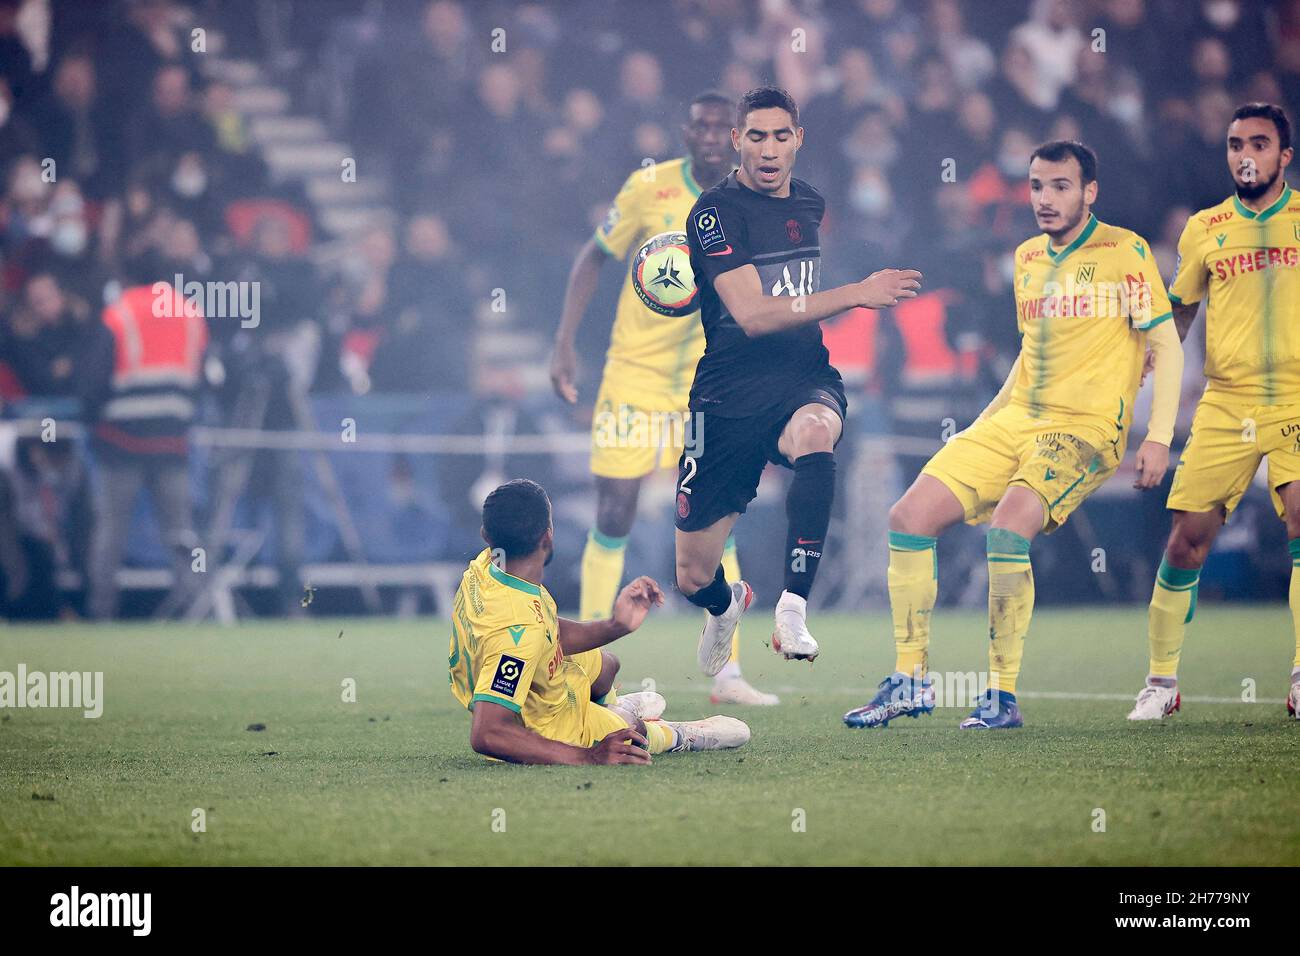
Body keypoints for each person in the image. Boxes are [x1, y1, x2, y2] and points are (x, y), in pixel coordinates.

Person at [845, 139, 1183, 730]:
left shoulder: (1124, 250)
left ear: (1089, 192)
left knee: (1007, 528)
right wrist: (983, 428)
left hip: (1085, 428)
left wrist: (1155, 436)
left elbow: (1165, 344)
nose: (1045, 199)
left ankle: (1000, 694)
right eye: (1035, 186)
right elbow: (1029, 357)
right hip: (1015, 418)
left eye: (1060, 186)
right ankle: (911, 680)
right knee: (908, 517)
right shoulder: (1026, 258)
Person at [674, 86, 922, 677]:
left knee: (817, 432)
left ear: (798, 140)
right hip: (726, 395)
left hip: (801, 378)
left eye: (781, 136)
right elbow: (754, 316)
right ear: (737, 141)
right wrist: (856, 293)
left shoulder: (810, 203)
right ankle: (727, 604)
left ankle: (793, 605)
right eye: (755, 136)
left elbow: (788, 303)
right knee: (691, 574)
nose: (768, 149)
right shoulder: (713, 212)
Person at [549, 90, 778, 705]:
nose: (707, 136)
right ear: (686, 131)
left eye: (718, 128)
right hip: (633, 375)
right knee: (615, 511)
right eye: (698, 126)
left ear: (733, 137)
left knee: (715, 516)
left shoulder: (752, 202)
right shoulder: (646, 188)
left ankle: (727, 673)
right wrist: (565, 343)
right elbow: (593, 257)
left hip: (710, 381)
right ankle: (584, 664)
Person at [1127, 103, 1300, 722]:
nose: (1244, 154)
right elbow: (1181, 311)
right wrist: (1152, 359)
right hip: (1225, 403)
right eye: (1234, 144)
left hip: (1295, 398)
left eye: (1259, 142)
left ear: (1284, 156)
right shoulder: (1205, 228)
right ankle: (1161, 681)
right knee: (1186, 541)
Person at [450, 479, 750, 765]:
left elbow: (542, 629)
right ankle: (677, 735)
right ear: (548, 535)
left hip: (538, 671)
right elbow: (488, 733)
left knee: (608, 664)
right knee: (630, 730)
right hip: (543, 726)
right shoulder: (516, 635)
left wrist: (615, 626)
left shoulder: (488, 565)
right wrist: (586, 757)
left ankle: (611, 707)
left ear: (486, 536)